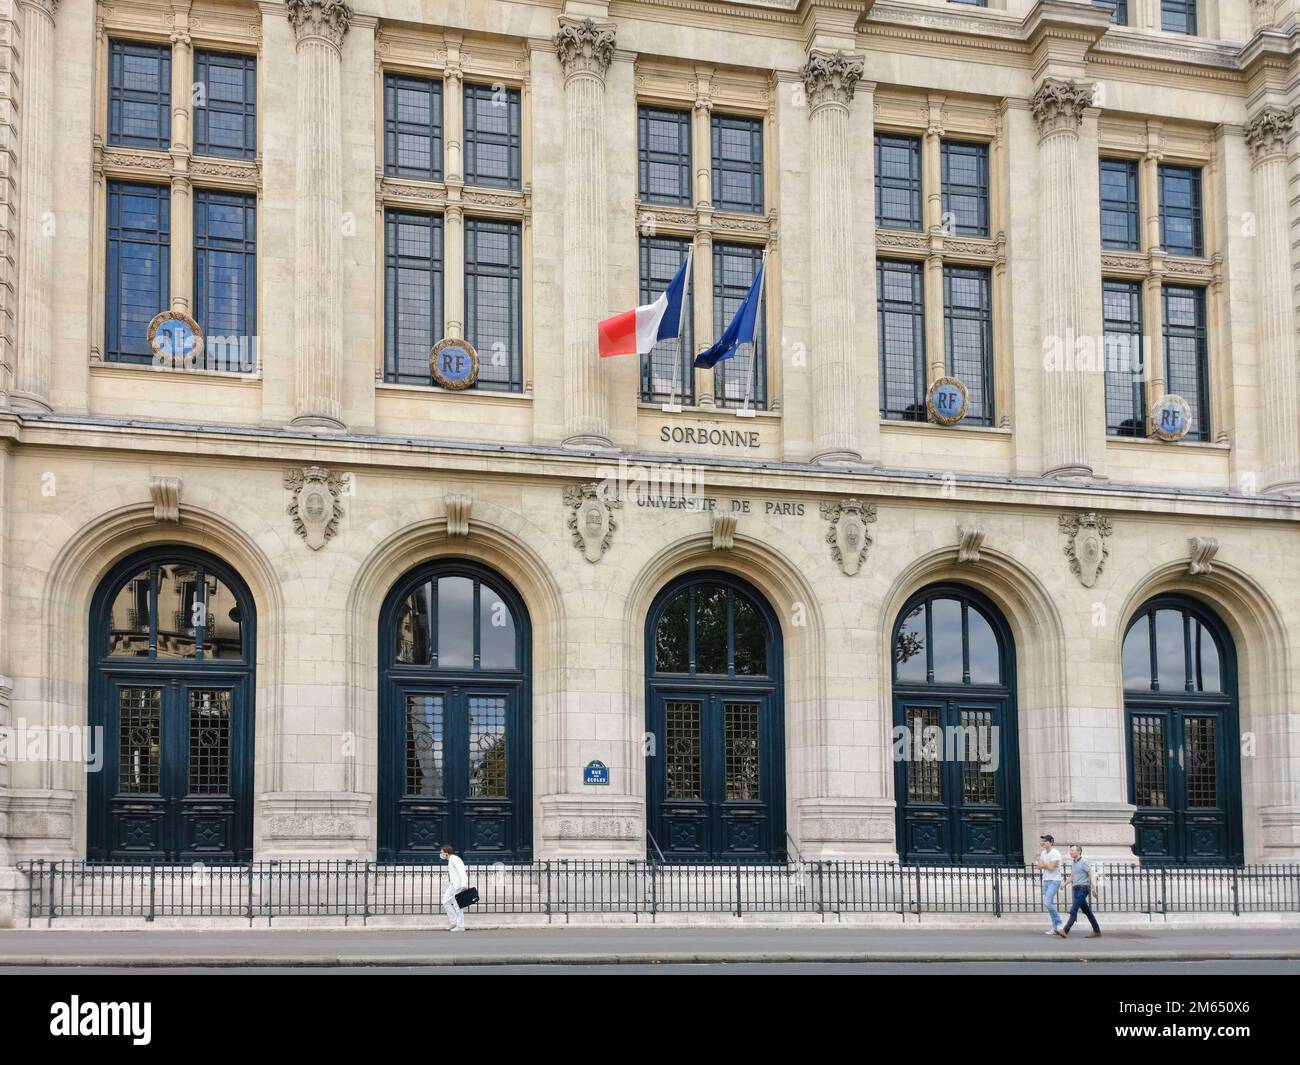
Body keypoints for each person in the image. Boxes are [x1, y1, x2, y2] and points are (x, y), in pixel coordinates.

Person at [1057, 844, 1102, 938]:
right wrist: (1064, 884)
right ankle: (1097, 931)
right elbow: (1072, 876)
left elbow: (1091, 874)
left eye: (1072, 850)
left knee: (1073, 909)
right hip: (1076, 889)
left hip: (1083, 888)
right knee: (1087, 912)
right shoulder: (1074, 863)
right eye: (1070, 850)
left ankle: (1065, 930)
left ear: (1079, 851)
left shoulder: (1084, 862)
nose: (1070, 852)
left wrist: (1094, 888)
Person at [1035, 833, 1063, 935]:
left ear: (1051, 842)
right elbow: (1038, 866)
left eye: (1045, 841)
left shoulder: (1055, 853)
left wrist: (1044, 865)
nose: (1043, 843)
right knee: (1049, 903)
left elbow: (1051, 868)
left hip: (1054, 880)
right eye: (1043, 841)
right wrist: (1045, 865)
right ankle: (1055, 927)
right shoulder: (1043, 853)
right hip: (1046, 880)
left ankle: (1059, 923)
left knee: (1047, 902)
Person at [440, 843, 468, 932]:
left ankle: (460, 926)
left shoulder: (454, 859)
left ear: (446, 852)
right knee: (445, 901)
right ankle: (454, 922)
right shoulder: (451, 859)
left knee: (457, 905)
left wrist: (464, 883)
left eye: (442, 852)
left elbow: (461, 871)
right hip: (453, 885)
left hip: (458, 885)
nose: (441, 854)